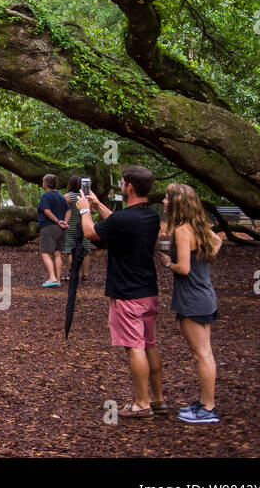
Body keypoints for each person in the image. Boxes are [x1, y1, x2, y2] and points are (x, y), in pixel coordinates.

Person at [79, 165, 166, 419]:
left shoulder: (123, 219)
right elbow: (118, 222)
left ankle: (141, 403)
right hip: (148, 291)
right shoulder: (151, 217)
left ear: (129, 186)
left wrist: (85, 210)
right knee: (150, 344)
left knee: (134, 347)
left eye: (122, 181)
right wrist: (97, 204)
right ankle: (159, 399)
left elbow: (90, 232)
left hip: (127, 294)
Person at [159, 183, 223, 424]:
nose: (164, 201)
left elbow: (183, 268)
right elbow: (217, 243)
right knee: (205, 352)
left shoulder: (183, 231)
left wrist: (167, 263)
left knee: (202, 355)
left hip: (192, 298)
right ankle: (206, 403)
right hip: (204, 294)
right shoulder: (198, 227)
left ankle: (208, 408)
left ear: (177, 203)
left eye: (167, 198)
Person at [37, 174, 68, 287]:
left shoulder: (46, 196)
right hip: (60, 229)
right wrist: (65, 221)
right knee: (57, 253)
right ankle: (58, 280)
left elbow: (47, 211)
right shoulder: (61, 196)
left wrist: (58, 221)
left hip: (49, 227)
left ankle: (52, 277)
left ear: (46, 184)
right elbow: (68, 210)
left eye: (43, 181)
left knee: (45, 252)